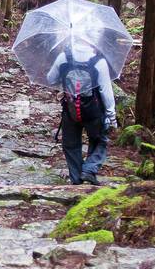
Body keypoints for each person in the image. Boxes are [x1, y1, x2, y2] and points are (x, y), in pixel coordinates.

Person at [47, 42, 116, 185]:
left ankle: (76, 179)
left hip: (70, 109)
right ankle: (89, 170)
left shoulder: (63, 57)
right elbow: (106, 92)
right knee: (99, 141)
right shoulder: (99, 62)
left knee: (71, 145)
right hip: (93, 112)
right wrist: (111, 116)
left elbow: (50, 79)